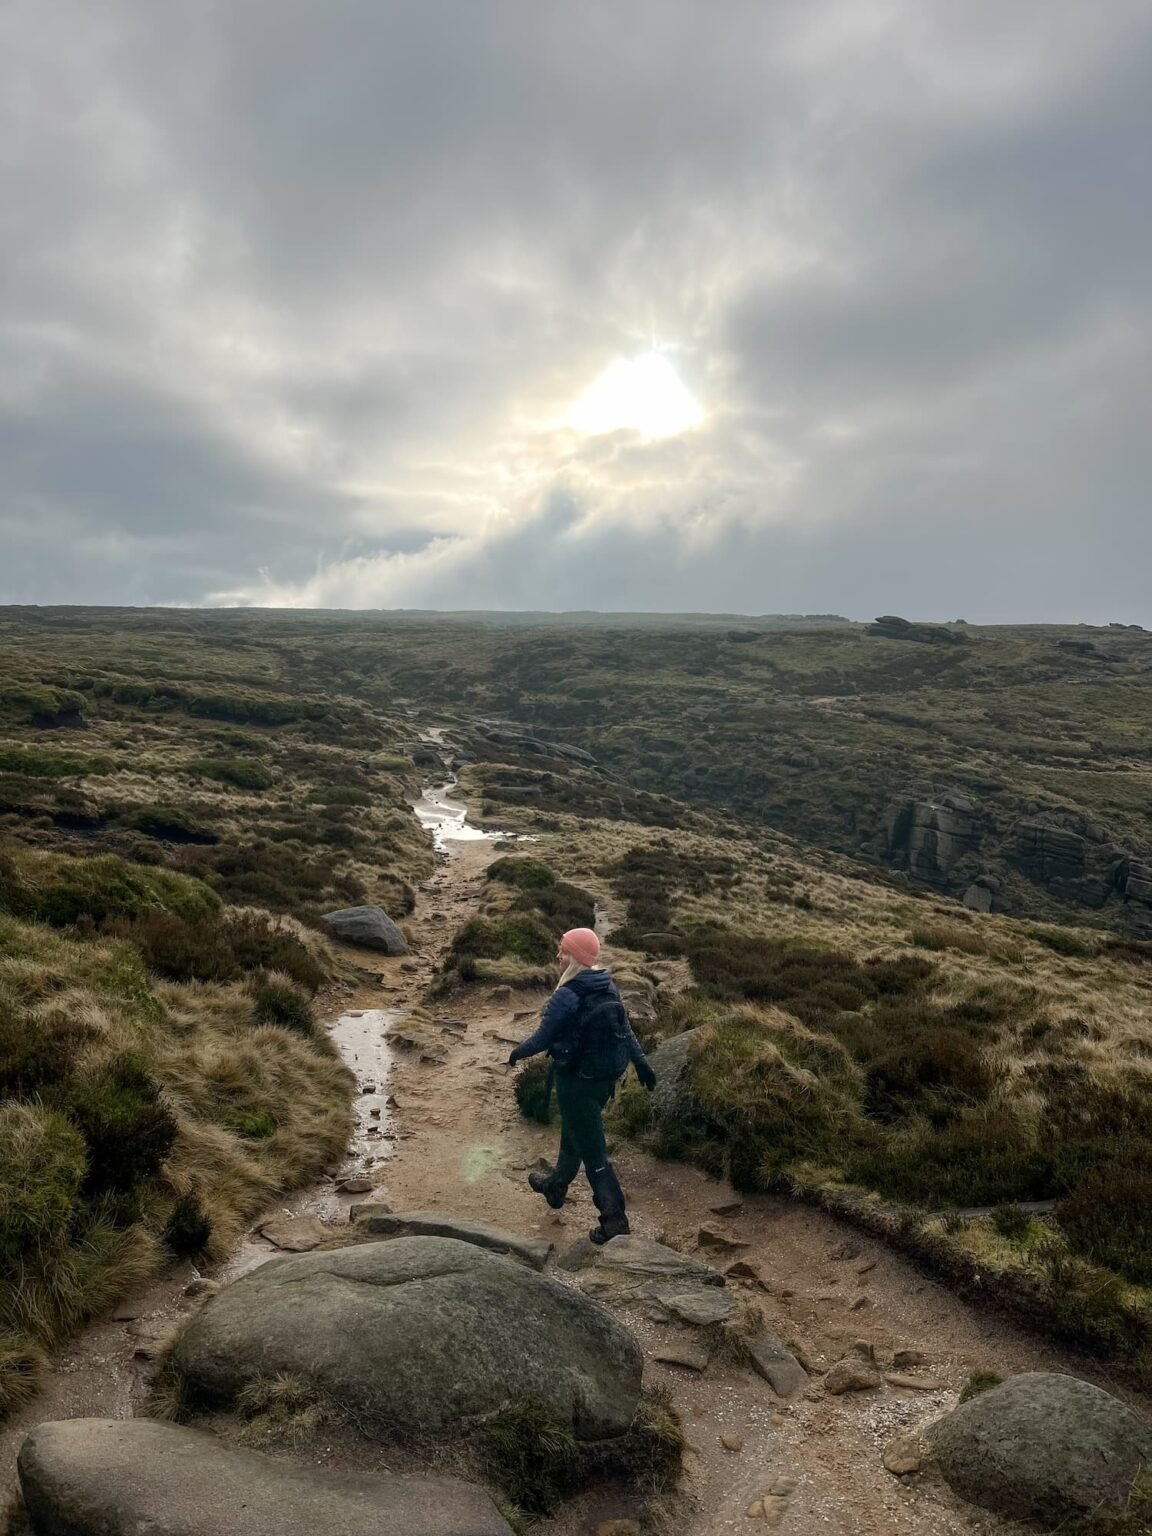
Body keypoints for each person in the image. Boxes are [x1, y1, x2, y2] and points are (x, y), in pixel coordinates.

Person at [507, 926, 657, 1244]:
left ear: (575, 957)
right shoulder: (607, 984)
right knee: (575, 1130)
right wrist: (641, 1064)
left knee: (595, 1156)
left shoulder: (568, 994)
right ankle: (557, 1185)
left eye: (563, 951)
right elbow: (625, 1029)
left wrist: (517, 1052)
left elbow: (543, 1038)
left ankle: (615, 1221)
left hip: (576, 1081)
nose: (558, 955)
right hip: (604, 1079)